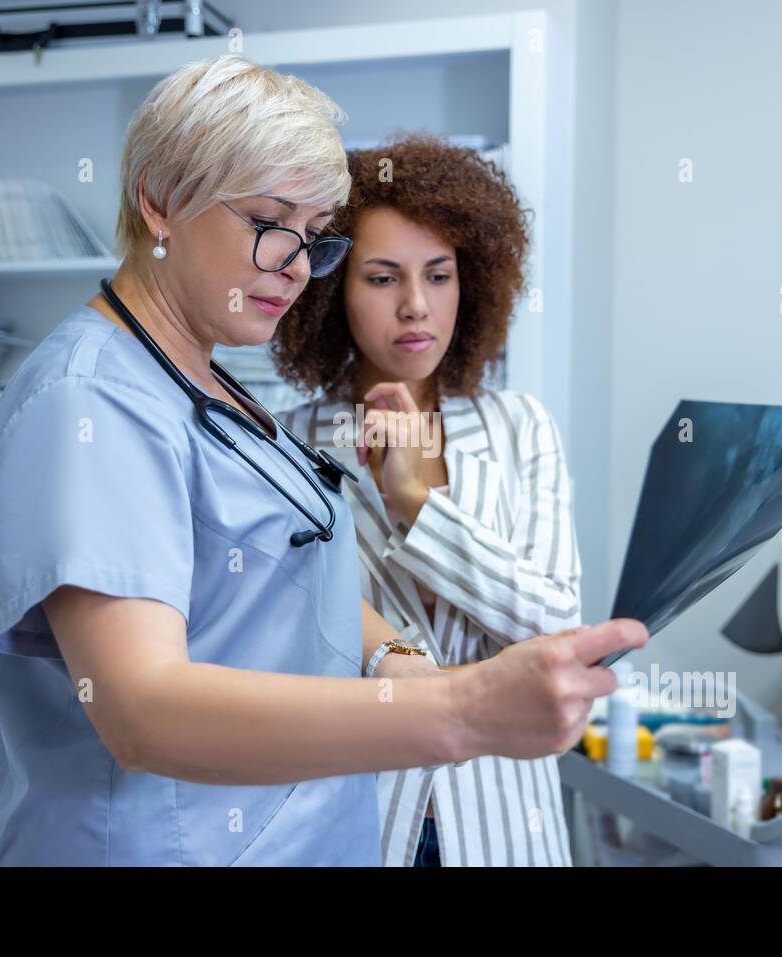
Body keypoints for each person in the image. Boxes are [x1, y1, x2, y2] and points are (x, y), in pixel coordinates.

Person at [0, 55, 645, 866]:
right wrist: (462, 708)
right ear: (159, 201)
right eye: (267, 223)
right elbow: (142, 708)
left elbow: (281, 568)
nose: (295, 266)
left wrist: (398, 658)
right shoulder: (89, 404)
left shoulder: (202, 380)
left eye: (314, 238)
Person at [276, 134, 583, 866]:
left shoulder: (520, 428)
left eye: (438, 276)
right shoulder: (287, 443)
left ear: (469, 283)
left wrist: (419, 505)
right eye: (382, 279)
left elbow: (556, 624)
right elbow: (298, 635)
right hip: (360, 809)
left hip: (504, 816)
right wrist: (433, 673)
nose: (416, 307)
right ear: (333, 290)